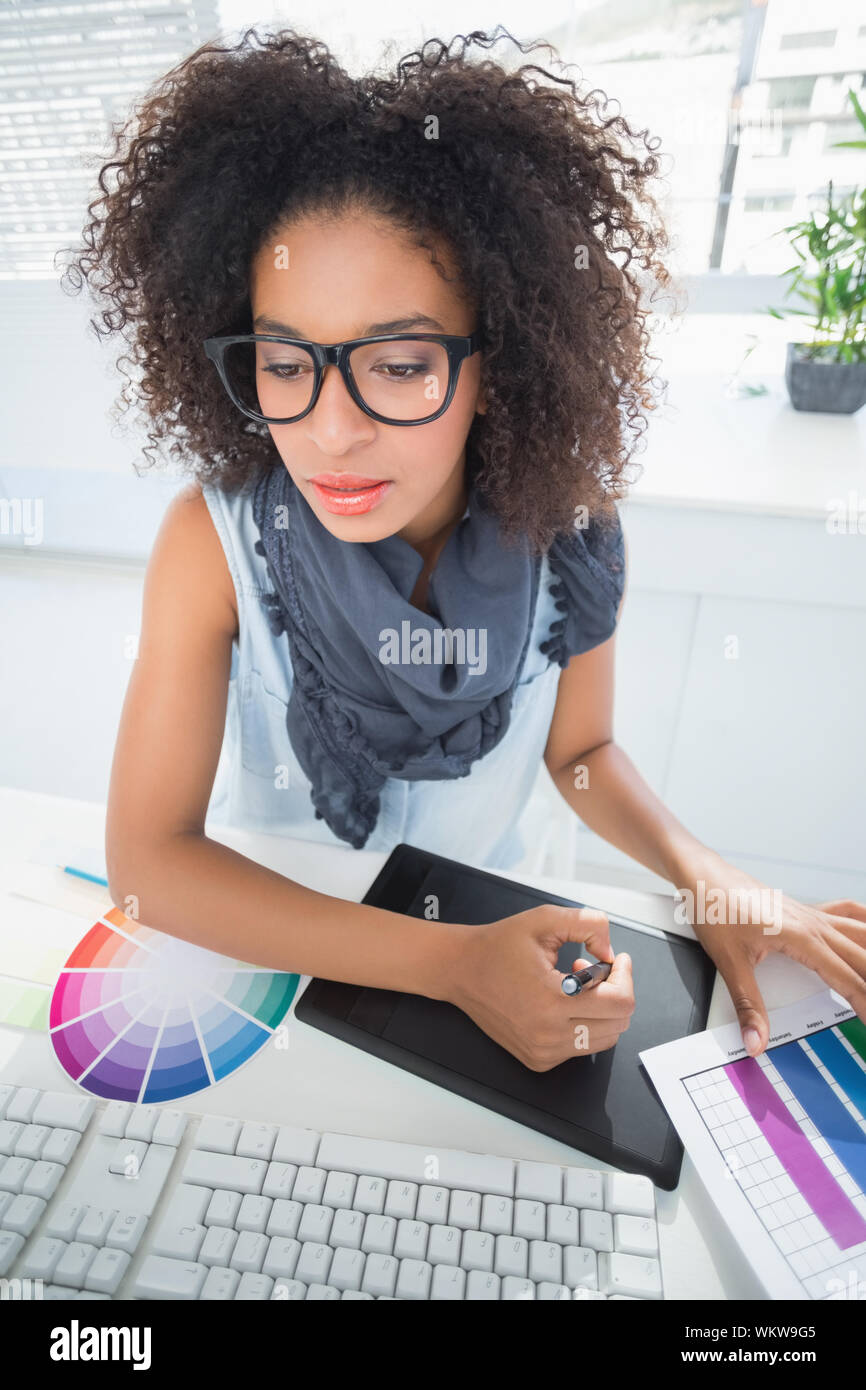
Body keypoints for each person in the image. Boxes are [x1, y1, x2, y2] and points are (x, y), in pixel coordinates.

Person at [63, 26, 866, 1073]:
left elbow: (577, 756)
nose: (330, 429)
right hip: (283, 946)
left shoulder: (570, 528)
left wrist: (709, 880)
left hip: (509, 928)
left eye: (397, 366)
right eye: (283, 362)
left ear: (501, 359)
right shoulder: (210, 542)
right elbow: (149, 863)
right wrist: (448, 963)